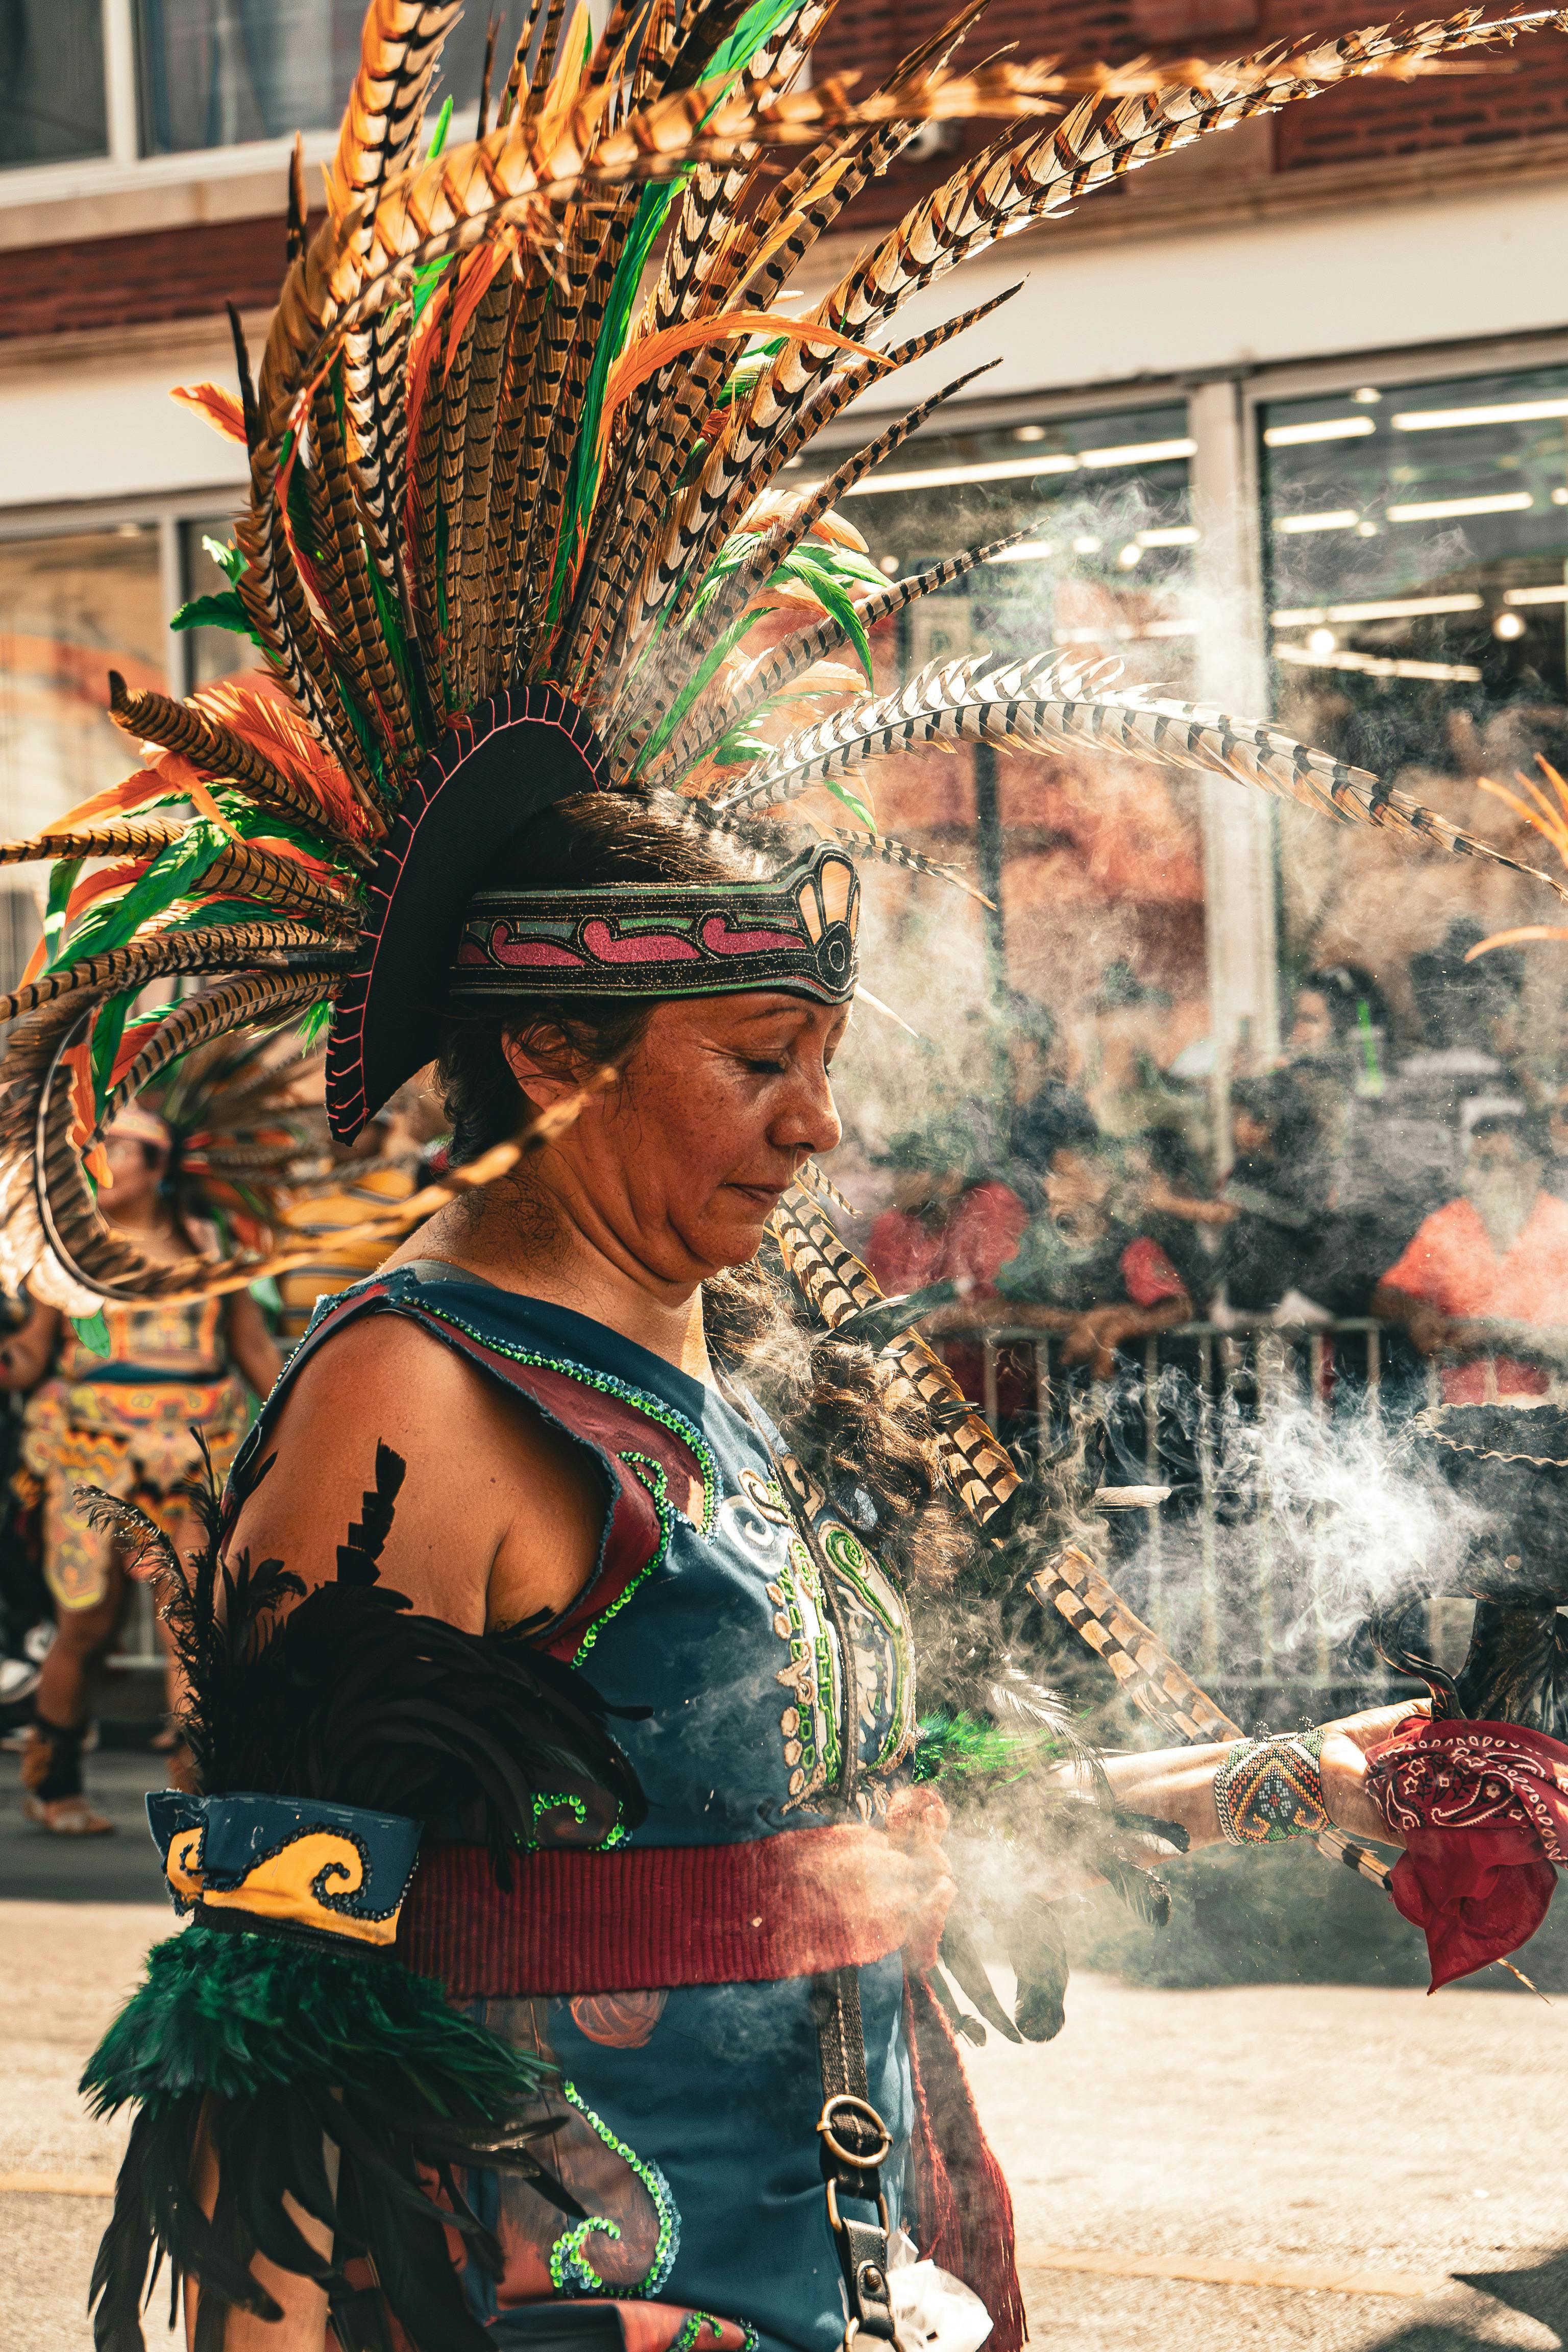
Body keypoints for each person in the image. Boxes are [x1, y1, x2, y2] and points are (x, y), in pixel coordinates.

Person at [0, 6, 1549, 2345]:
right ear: (552, 1051)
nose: (821, 1124)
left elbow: (855, 1833)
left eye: (828, 1061)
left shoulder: (705, 1381)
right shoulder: (409, 1404)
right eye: (758, 1064)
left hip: (840, 2280)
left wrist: (1285, 1781)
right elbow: (278, 2033)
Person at [0, 1107, 281, 1831]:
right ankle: (55, 1784)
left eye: (116, 1148)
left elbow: (253, 1349)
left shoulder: (210, 1247)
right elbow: (31, 1353)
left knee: (189, 1620)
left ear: (160, 1164)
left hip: (195, 1450)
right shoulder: (68, 1252)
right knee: (87, 1625)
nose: (98, 1161)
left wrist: (305, 1416)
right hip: (90, 1453)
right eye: (94, 1148)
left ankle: (198, 1791)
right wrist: (10, 1359)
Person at [1371, 1109, 1568, 1402]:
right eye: (1471, 1164)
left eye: (1487, 1165)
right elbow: (1387, 1295)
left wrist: (1498, 1336)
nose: (1471, 1178)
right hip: (1461, 1416)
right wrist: (1415, 1312)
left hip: (1550, 1413)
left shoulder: (1562, 1228)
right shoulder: (1450, 1223)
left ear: (1531, 1169)